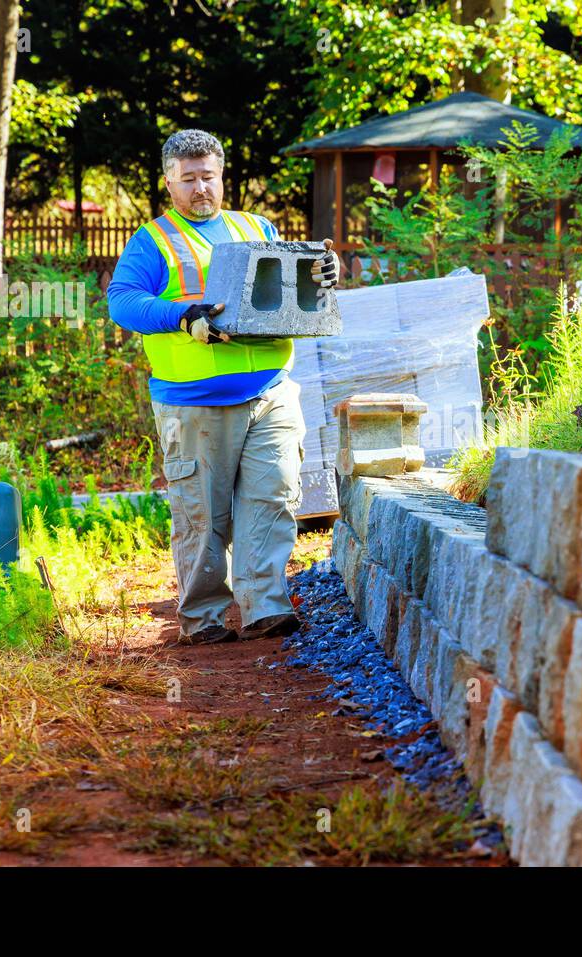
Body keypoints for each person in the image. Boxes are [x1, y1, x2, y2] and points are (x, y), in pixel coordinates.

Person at [107, 128, 339, 645]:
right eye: (188, 179)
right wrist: (179, 314)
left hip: (271, 391)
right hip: (195, 404)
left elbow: (294, 285)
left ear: (221, 176)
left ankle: (265, 607)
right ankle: (206, 618)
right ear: (168, 182)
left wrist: (325, 270)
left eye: (208, 177)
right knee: (202, 517)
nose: (200, 188)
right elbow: (122, 302)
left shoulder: (255, 226)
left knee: (271, 499)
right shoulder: (153, 241)